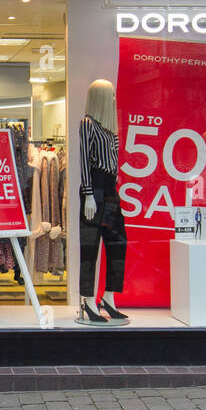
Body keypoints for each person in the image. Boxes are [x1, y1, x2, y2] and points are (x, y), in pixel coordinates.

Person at [76, 79, 130, 326]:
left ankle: (108, 296)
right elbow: (85, 160)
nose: (114, 100)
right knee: (90, 247)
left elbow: (115, 162)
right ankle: (87, 299)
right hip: (94, 187)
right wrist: (88, 193)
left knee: (118, 242)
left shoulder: (111, 130)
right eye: (110, 96)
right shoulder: (87, 124)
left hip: (110, 189)